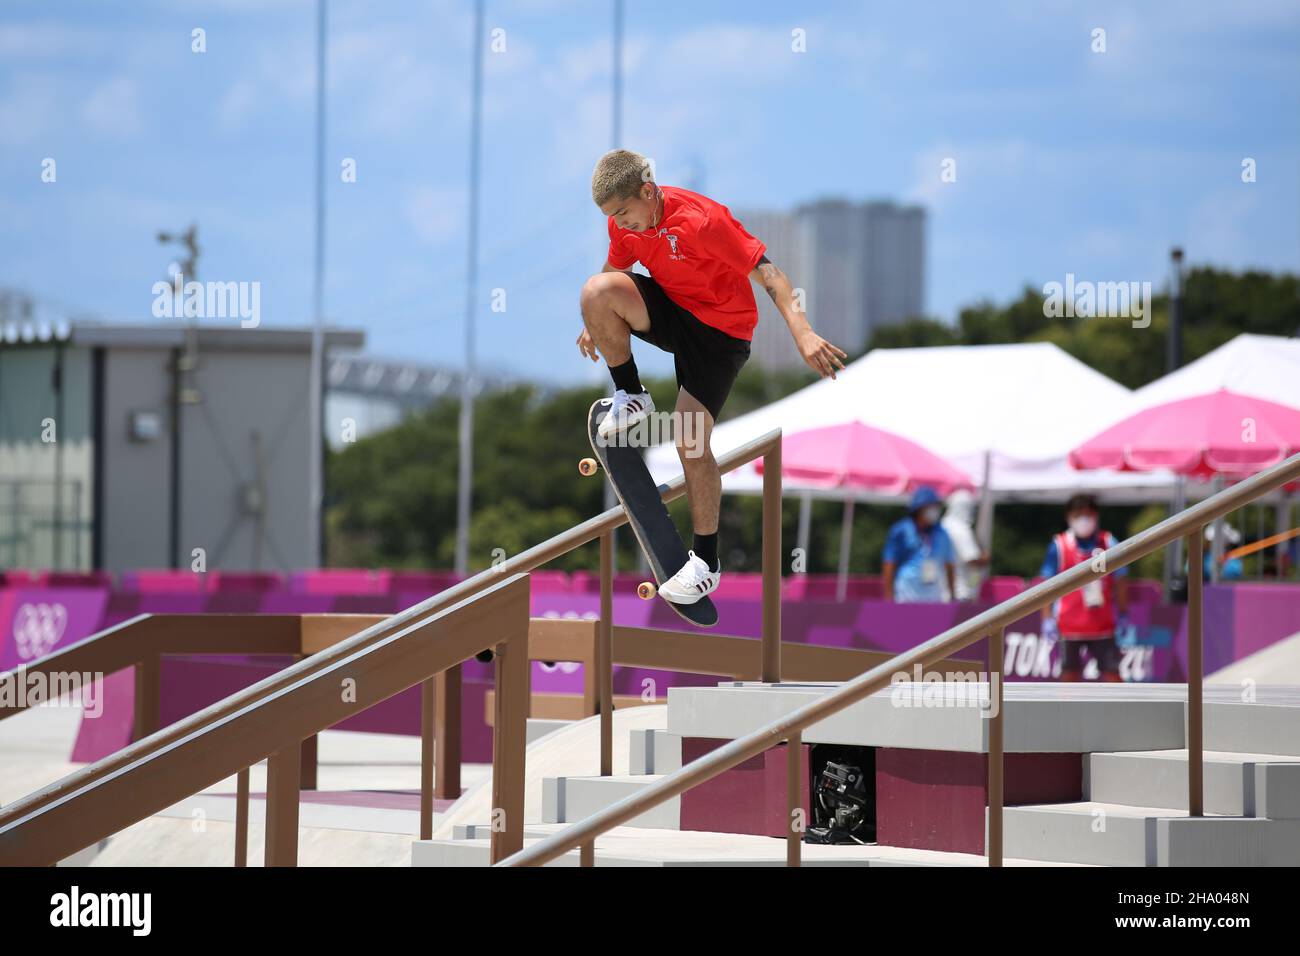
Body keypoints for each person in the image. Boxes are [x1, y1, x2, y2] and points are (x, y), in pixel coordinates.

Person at [577, 149, 846, 604]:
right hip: (674, 311)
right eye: (611, 217)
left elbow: (772, 275)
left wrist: (803, 333)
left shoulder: (703, 221)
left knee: (689, 437)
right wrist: (595, 320)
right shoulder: (623, 225)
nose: (621, 225)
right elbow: (615, 271)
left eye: (624, 213)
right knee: (595, 291)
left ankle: (705, 562)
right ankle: (631, 393)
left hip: (722, 334)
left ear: (648, 192)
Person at [1040, 494, 1129, 682]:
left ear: (1096, 516)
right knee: (1069, 675)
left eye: (1088, 514)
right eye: (1078, 514)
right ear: (1069, 517)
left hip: (1102, 624)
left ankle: (1120, 711)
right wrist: (1046, 617)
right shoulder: (1059, 545)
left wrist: (1122, 613)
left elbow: (1121, 579)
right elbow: (1046, 583)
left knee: (1112, 674)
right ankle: (1066, 711)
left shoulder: (1108, 542)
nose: (1084, 520)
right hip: (1069, 624)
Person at [882, 486, 956, 603]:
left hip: (933, 595)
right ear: (919, 509)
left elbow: (950, 565)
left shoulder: (942, 533)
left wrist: (952, 595)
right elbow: (889, 564)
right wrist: (888, 597)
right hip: (906, 593)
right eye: (931, 506)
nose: (935, 510)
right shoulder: (901, 530)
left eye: (936, 506)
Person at [941, 488, 989, 602]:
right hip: (960, 592)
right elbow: (971, 559)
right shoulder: (961, 529)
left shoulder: (942, 527)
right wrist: (985, 557)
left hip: (940, 591)